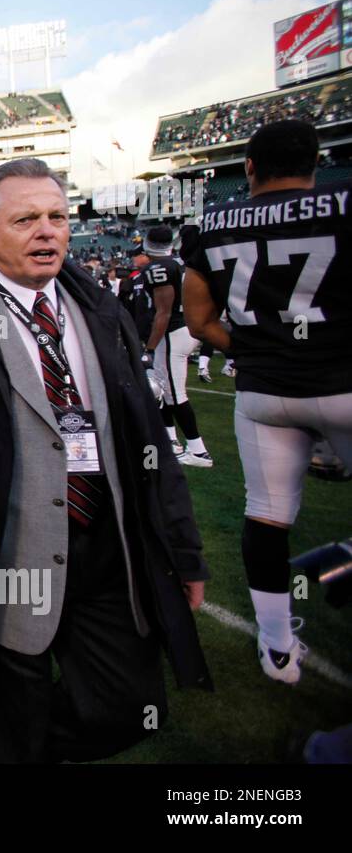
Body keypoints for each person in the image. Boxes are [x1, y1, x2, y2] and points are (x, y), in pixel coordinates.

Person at [0, 158, 211, 763]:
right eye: (26, 218)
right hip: (0, 564)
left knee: (130, 709)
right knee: (5, 730)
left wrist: (182, 549)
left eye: (57, 217)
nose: (47, 231)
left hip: (107, 555)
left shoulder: (102, 314)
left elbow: (150, 447)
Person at [183, 119, 351, 685]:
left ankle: (277, 650)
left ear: (249, 167)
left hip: (265, 391)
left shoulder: (212, 226)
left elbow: (199, 320)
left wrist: (257, 349)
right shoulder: (341, 203)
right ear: (317, 162)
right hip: (343, 381)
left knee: (267, 514)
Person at [140, 226, 212, 467]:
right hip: (184, 329)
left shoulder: (158, 267)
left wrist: (148, 349)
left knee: (174, 394)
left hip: (172, 332)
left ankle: (198, 451)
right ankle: (171, 441)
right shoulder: (178, 263)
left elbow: (164, 312)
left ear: (148, 242)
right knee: (163, 391)